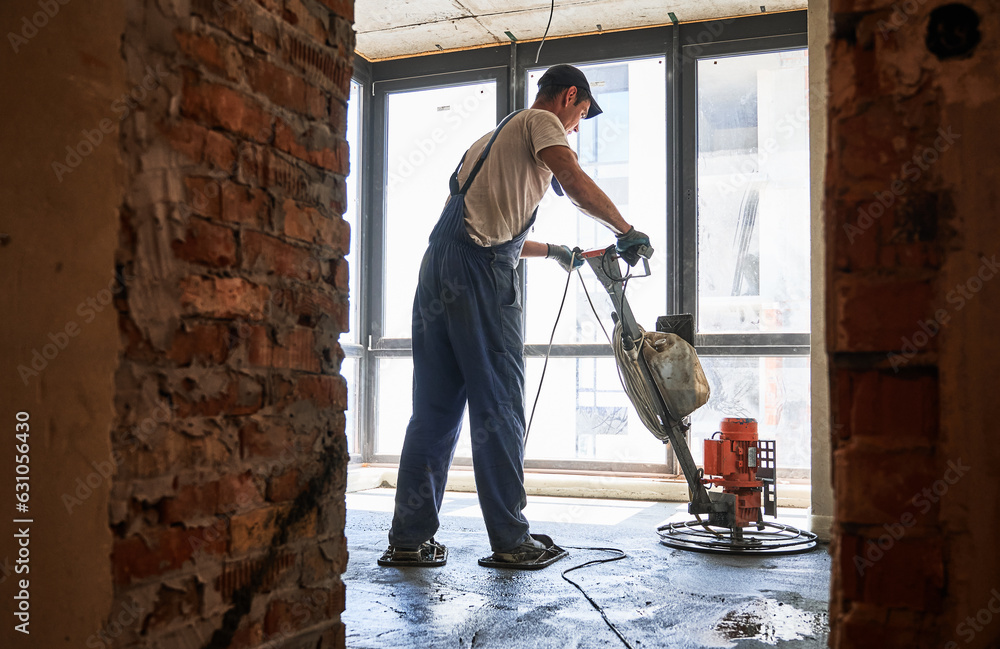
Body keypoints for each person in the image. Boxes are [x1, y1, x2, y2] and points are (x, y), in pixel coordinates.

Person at [379, 64, 652, 569]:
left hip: (438, 269)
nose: (575, 128)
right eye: (582, 115)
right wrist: (624, 228)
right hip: (480, 275)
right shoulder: (542, 120)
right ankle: (511, 539)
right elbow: (570, 179)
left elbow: (481, 220)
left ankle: (408, 541)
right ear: (570, 96)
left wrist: (555, 252)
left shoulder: (487, 140)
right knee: (499, 404)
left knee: (434, 411)